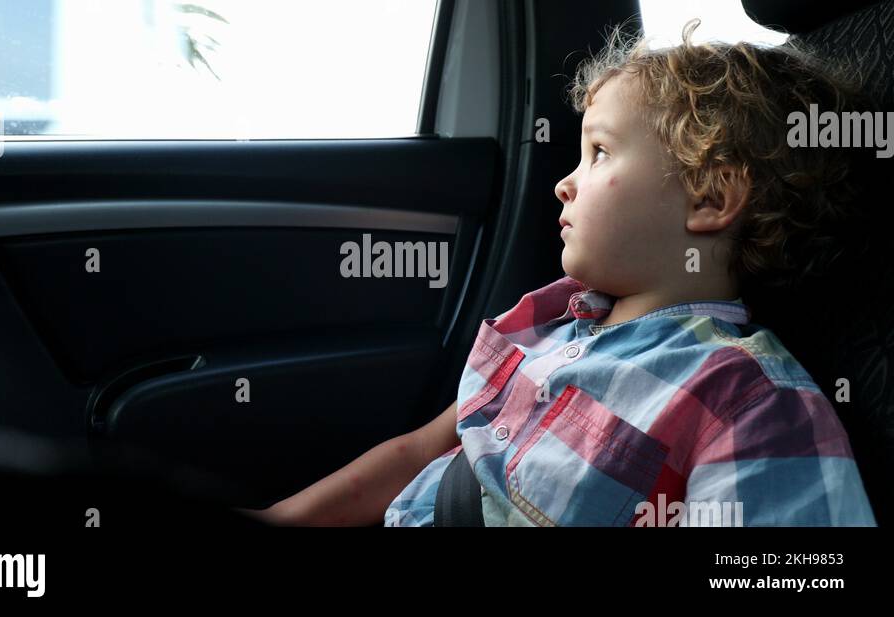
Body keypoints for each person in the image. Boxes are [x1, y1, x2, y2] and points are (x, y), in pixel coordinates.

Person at [241, 18, 879, 526]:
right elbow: (418, 452)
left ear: (710, 199)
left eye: (599, 151)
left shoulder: (750, 402)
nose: (563, 183)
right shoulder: (547, 325)